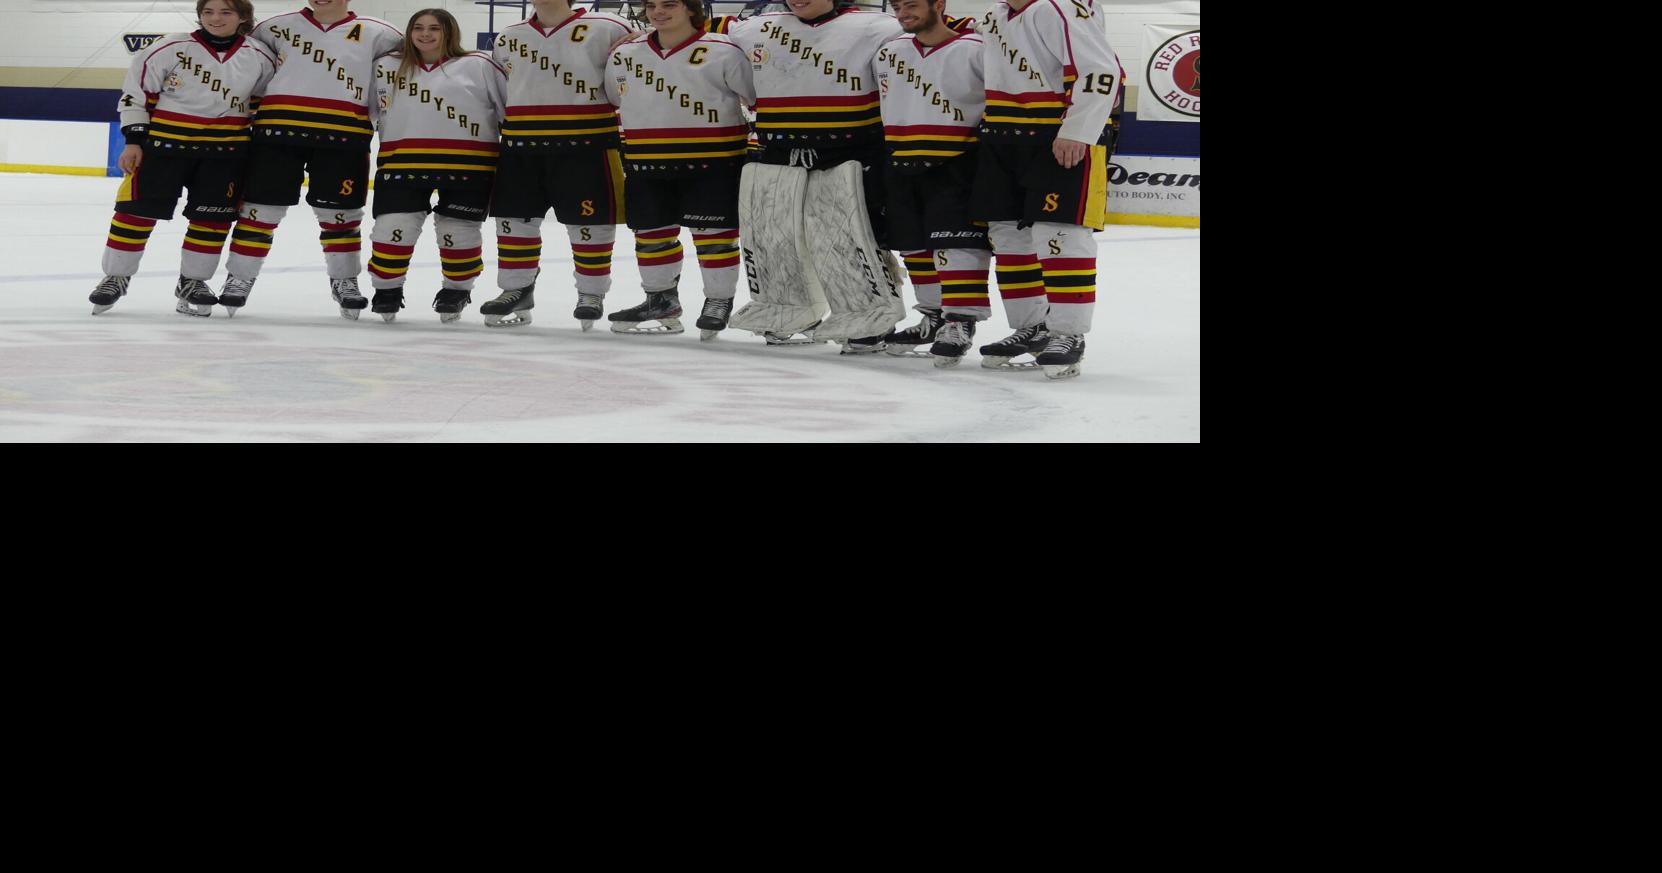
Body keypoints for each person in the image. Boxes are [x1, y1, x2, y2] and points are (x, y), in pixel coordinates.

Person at [90, 0, 276, 317]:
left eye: (226, 12)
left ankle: (193, 281)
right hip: (163, 148)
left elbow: (264, 103)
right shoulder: (170, 46)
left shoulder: (259, 56)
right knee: (135, 212)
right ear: (200, 15)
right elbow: (137, 92)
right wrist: (134, 141)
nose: (215, 18)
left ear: (242, 17)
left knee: (212, 220)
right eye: (208, 12)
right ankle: (116, 276)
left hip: (226, 153)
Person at [219, 0, 402, 318]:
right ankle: (240, 278)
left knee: (341, 215)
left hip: (345, 135)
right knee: (259, 210)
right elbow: (242, 65)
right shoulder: (273, 27)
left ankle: (344, 281)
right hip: (277, 133)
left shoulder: (381, 33)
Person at [972, 0, 1124, 379]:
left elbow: (1104, 70)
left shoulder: (1058, 7)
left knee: (1060, 233)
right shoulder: (994, 14)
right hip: (1002, 139)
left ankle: (1068, 333)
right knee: (1008, 236)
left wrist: (1077, 130)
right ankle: (1032, 326)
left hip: (1055, 137)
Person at [602, 0, 753, 338]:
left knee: (715, 236)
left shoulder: (723, 50)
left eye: (669, 4)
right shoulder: (625, 54)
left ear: (691, 9)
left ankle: (718, 300)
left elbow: (752, 96)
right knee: (652, 234)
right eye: (651, 5)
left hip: (714, 161)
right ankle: (660, 300)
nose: (658, 11)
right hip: (645, 160)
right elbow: (615, 97)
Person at [483, 0, 636, 329]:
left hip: (587, 143)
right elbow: (502, 91)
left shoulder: (609, 27)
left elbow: (635, 71)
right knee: (513, 222)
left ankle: (591, 293)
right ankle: (516, 289)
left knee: (591, 225)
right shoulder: (508, 36)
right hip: (521, 145)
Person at [364, 9, 507, 323]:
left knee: (457, 231)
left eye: (434, 29)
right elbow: (368, 110)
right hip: (401, 162)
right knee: (392, 230)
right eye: (418, 27)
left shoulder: (479, 65)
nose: (425, 34)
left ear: (449, 32)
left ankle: (456, 290)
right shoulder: (386, 65)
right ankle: (387, 290)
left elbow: (508, 111)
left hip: (471, 165)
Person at [875, 0, 989, 366]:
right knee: (913, 246)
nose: (903, 13)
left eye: (912, 5)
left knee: (957, 246)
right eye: (897, 6)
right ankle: (933, 315)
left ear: (938, 4)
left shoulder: (975, 49)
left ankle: (960, 320)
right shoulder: (889, 52)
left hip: (956, 162)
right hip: (900, 160)